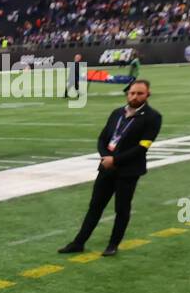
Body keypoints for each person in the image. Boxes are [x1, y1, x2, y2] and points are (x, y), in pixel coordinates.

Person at [58, 80, 162, 257]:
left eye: (139, 94)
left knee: (121, 209)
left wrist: (115, 160)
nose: (135, 96)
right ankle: (78, 243)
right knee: (95, 207)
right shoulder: (117, 113)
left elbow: (142, 147)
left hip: (128, 171)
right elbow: (102, 138)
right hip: (106, 168)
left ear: (147, 95)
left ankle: (113, 245)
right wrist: (105, 156)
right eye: (132, 93)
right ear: (127, 93)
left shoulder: (153, 117)